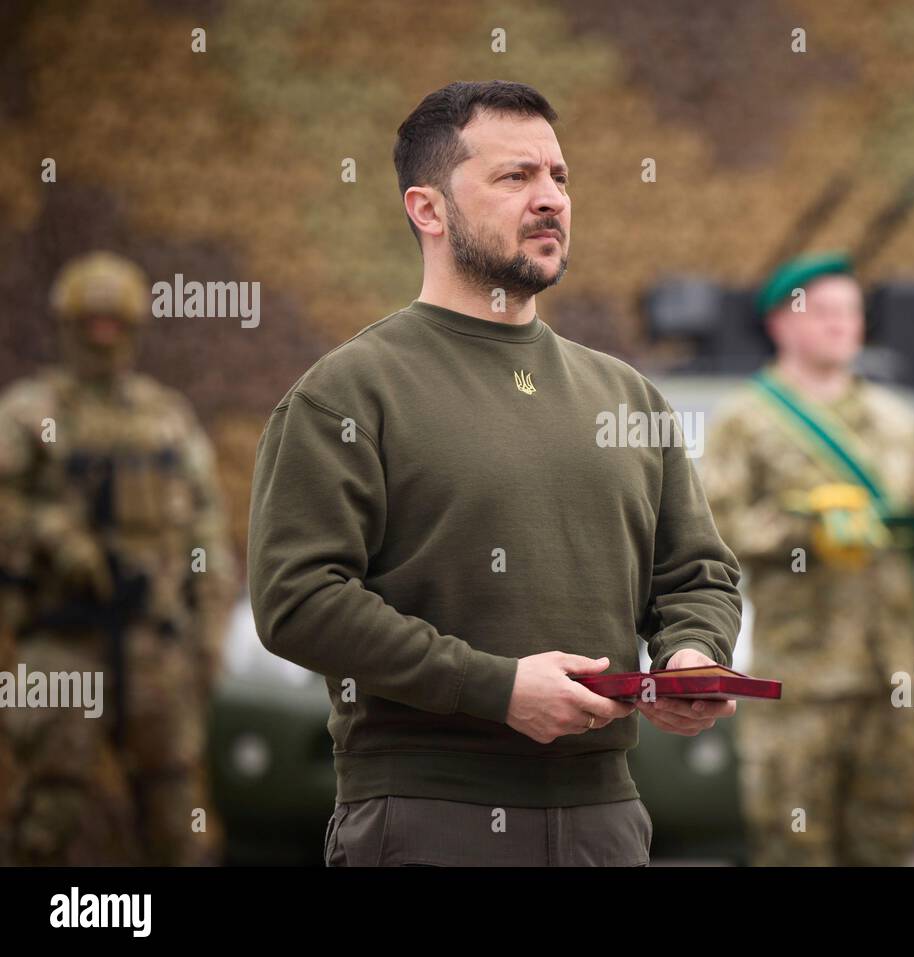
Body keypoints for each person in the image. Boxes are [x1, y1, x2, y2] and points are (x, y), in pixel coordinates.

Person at [246, 80, 743, 867]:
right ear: (428, 209)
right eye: (515, 177)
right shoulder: (348, 392)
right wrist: (493, 687)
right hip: (427, 815)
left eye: (559, 177)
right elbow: (297, 600)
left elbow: (695, 572)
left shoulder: (627, 394)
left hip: (606, 817)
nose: (549, 198)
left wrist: (688, 654)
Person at [701, 252, 914, 865]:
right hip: (801, 676)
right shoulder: (746, 420)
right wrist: (805, 523)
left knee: (886, 845)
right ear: (781, 324)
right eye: (823, 311)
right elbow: (715, 533)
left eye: (852, 311)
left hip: (890, 671)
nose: (842, 324)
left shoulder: (897, 418)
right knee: (795, 845)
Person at [0, 250, 235, 865]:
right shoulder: (30, 415)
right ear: (68, 326)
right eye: (91, 324)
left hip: (155, 648)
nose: (103, 338)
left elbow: (206, 534)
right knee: (47, 815)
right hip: (62, 643)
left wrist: (208, 639)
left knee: (179, 819)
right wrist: (57, 538)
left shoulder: (166, 420)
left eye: (114, 324)